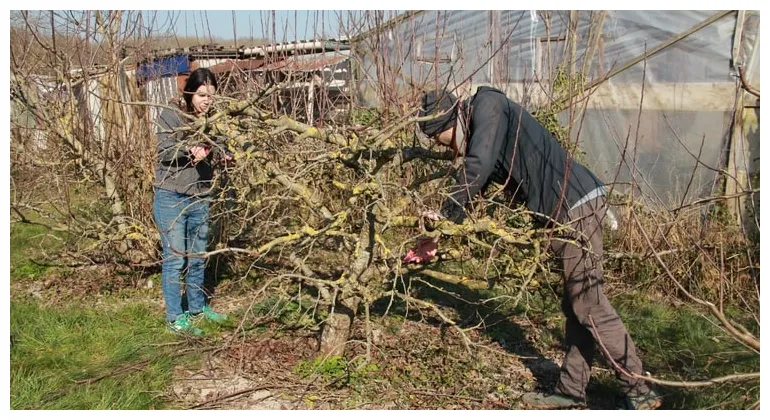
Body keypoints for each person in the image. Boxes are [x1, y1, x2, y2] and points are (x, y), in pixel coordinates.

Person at [409, 87, 662, 410]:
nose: (439, 146)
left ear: (451, 120)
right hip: (565, 212)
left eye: (437, 137)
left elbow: (478, 164)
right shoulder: (486, 126)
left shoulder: (488, 105)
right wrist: (440, 234)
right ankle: (571, 391)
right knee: (577, 306)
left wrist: (446, 210)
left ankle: (639, 388)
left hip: (574, 208)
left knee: (590, 305)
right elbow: (480, 183)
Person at [153, 68, 230, 336]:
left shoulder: (214, 121)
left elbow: (222, 147)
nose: (207, 101)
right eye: (201, 95)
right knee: (175, 259)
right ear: (189, 92)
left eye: (211, 96)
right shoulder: (172, 115)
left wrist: (223, 154)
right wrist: (189, 150)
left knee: (197, 257)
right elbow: (163, 150)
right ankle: (175, 317)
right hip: (171, 195)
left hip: (200, 195)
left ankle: (197, 308)